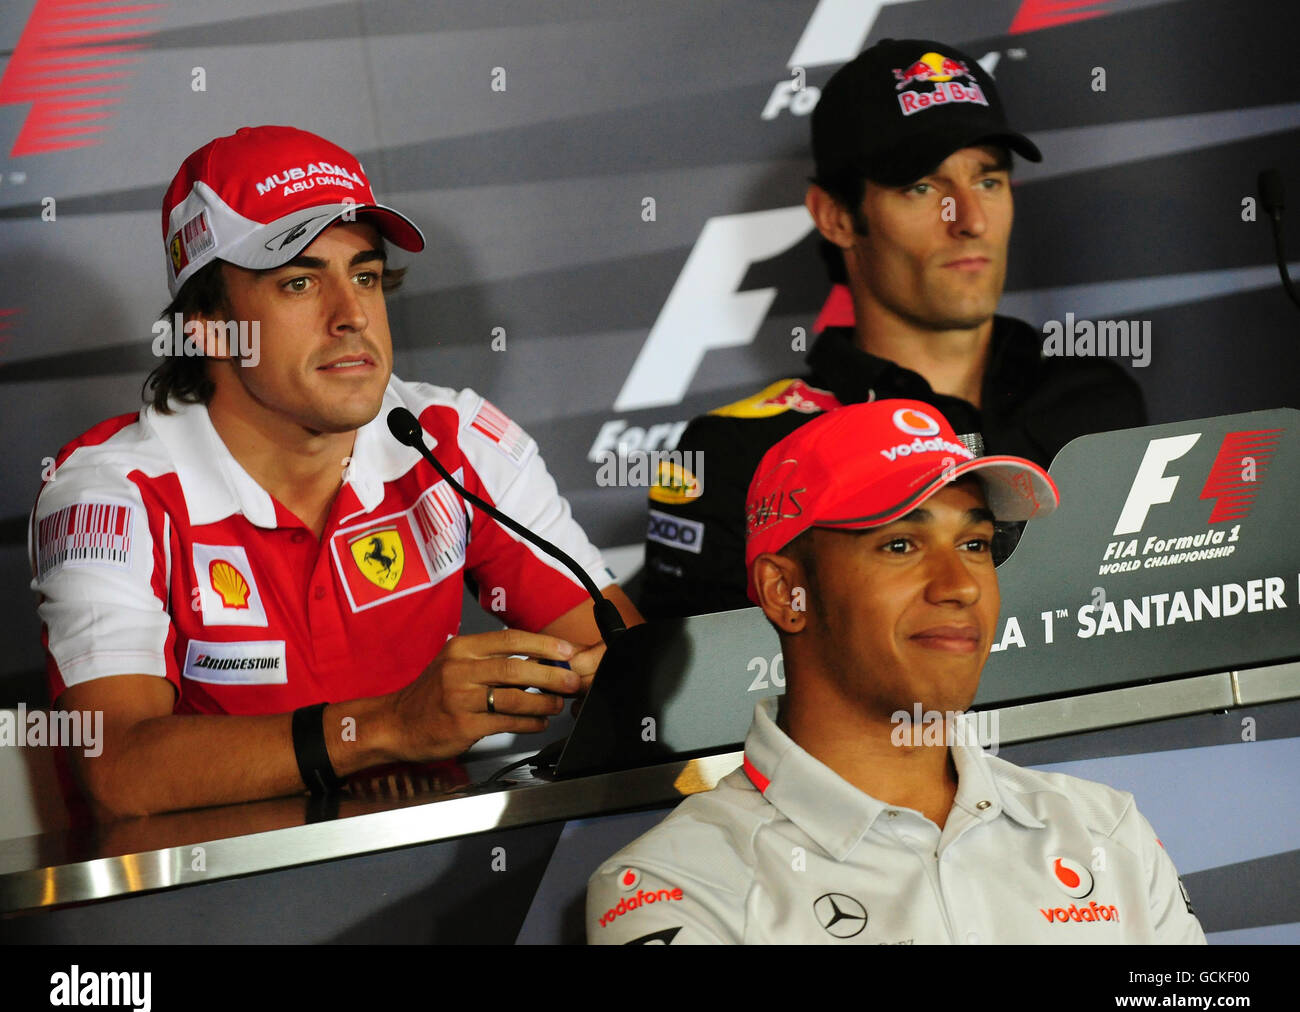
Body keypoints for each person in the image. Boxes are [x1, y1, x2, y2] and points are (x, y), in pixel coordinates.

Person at [30, 125, 639, 818]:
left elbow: (629, 659)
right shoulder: (112, 494)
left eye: (367, 276)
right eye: (299, 282)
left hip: (451, 880)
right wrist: (387, 729)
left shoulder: (452, 439)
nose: (352, 316)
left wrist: (606, 673)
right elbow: (122, 770)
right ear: (207, 323)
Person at [589, 400, 1203, 944]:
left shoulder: (1106, 828)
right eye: (901, 546)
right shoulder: (675, 886)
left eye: (975, 545)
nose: (960, 586)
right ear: (784, 591)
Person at [639, 38, 1146, 619]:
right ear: (836, 216)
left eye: (988, 181)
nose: (971, 221)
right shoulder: (742, 451)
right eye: (922, 188)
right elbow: (700, 700)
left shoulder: (1098, 405)